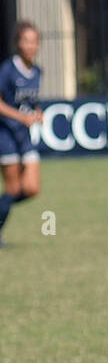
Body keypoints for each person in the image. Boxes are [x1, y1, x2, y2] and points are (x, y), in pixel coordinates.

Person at [0, 21, 43, 247]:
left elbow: (32, 101)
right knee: (13, 189)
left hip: (24, 138)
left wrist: (38, 112)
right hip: (6, 137)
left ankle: (2, 207)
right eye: (26, 41)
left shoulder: (37, 71)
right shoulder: (7, 69)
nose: (30, 45)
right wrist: (20, 117)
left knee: (32, 188)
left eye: (34, 41)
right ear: (18, 43)